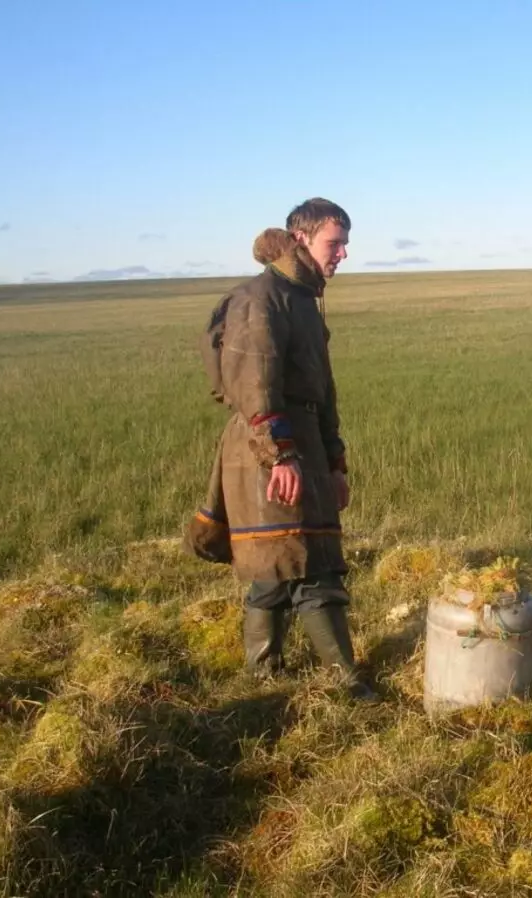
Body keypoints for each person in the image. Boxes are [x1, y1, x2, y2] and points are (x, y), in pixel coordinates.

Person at [185, 197, 374, 699]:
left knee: (286, 562)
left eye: (346, 245)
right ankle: (343, 683)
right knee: (302, 564)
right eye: (335, 243)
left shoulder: (304, 300)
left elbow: (322, 392)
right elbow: (254, 380)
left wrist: (335, 462)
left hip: (301, 443)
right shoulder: (262, 297)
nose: (343, 254)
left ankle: (266, 679)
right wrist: (281, 455)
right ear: (301, 239)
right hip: (265, 449)